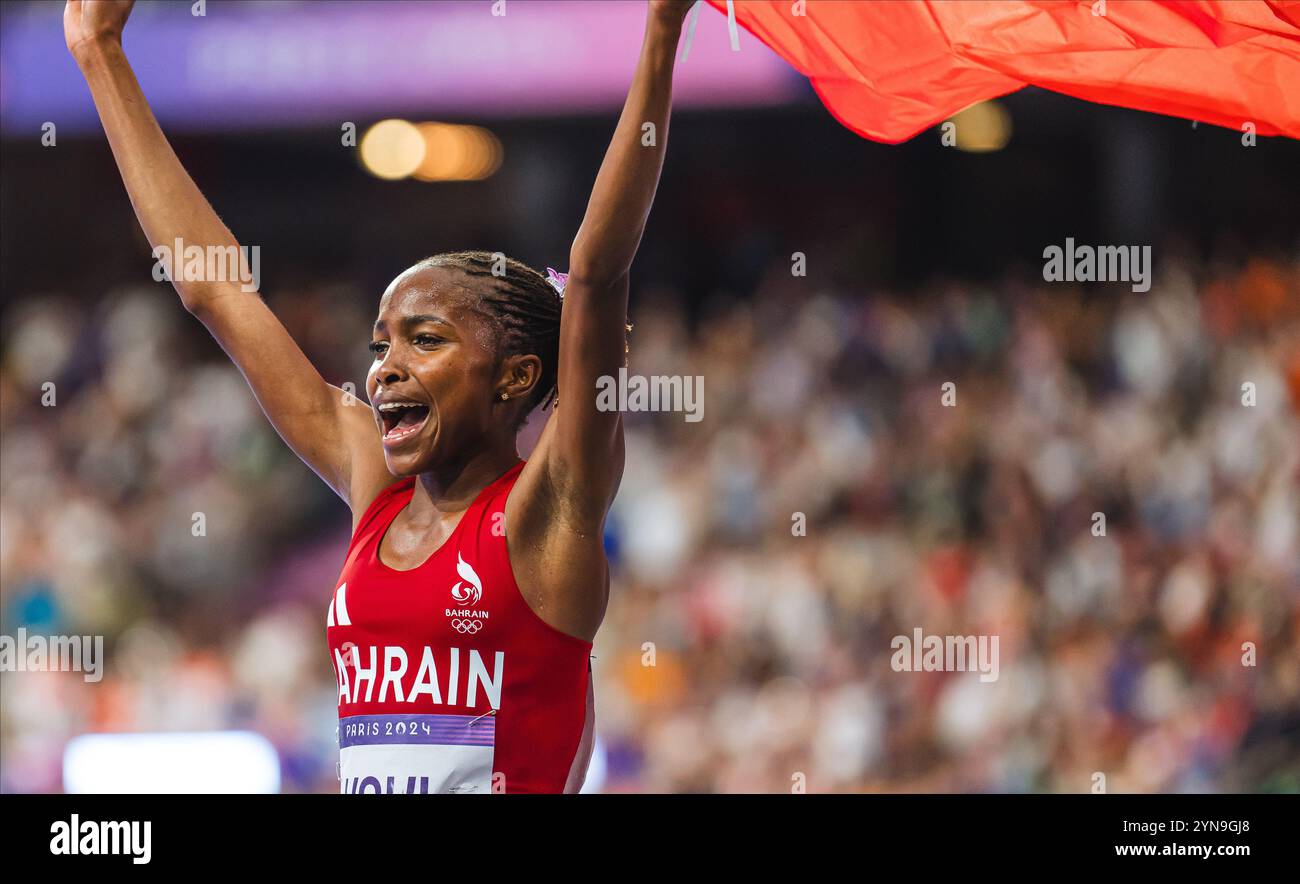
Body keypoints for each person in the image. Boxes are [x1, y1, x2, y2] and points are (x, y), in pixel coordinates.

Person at [64, 0, 693, 793]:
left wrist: (663, 33)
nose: (384, 369)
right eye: (380, 345)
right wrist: (98, 51)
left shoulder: (549, 509)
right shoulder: (381, 498)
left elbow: (598, 273)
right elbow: (214, 291)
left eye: (425, 340)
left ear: (516, 377)